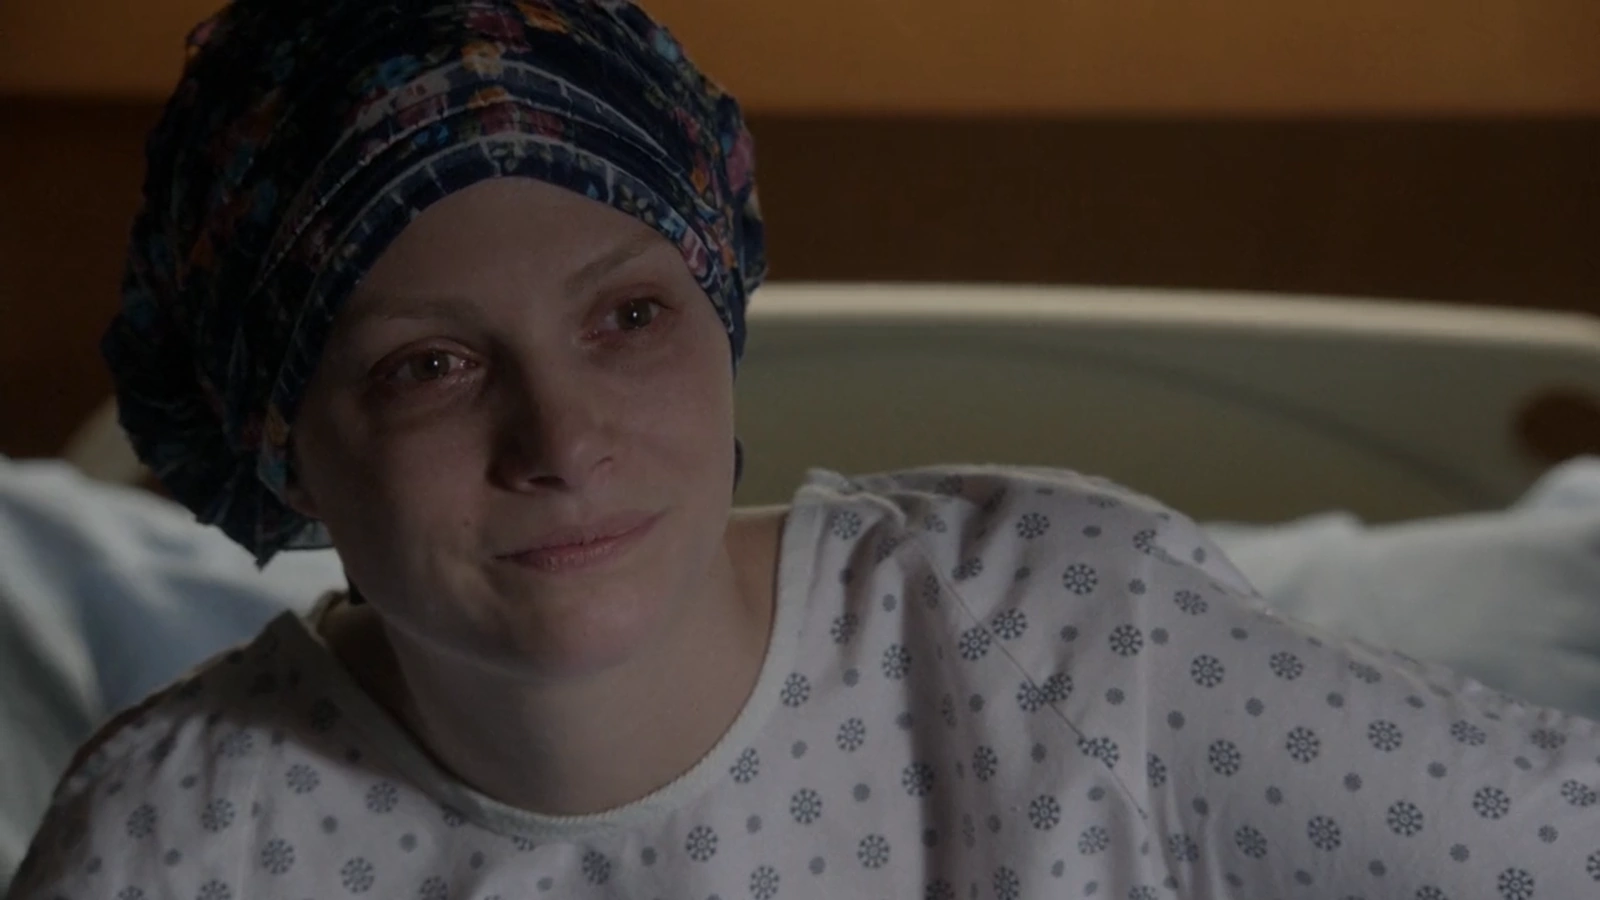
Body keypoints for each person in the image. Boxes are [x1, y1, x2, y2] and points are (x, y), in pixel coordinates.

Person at [10, 1, 1599, 897]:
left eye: (628, 317)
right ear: (280, 446)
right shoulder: (176, 848)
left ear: (723, 317)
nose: (560, 439)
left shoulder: (1072, 650)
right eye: (430, 366)